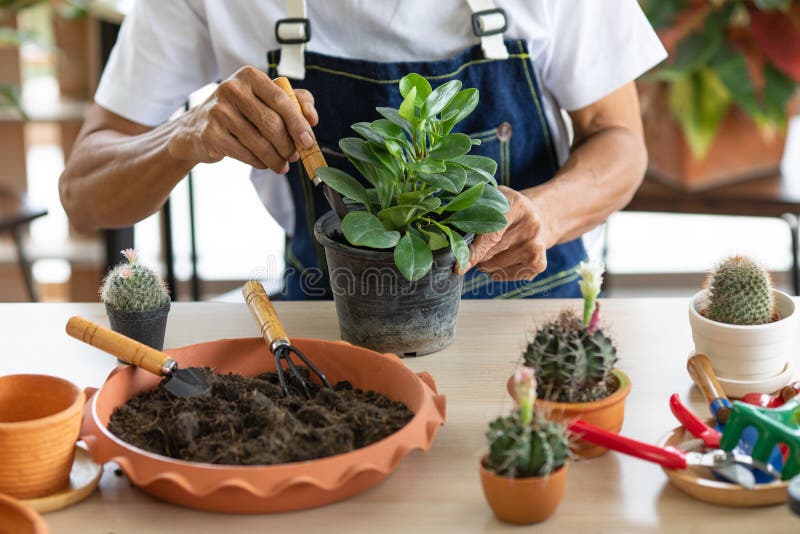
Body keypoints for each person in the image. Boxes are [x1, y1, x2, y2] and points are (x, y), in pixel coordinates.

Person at [59, 0, 666, 300]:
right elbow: (83, 195)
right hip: (329, 331)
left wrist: (549, 212)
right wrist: (186, 134)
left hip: (531, 324)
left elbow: (620, 140)